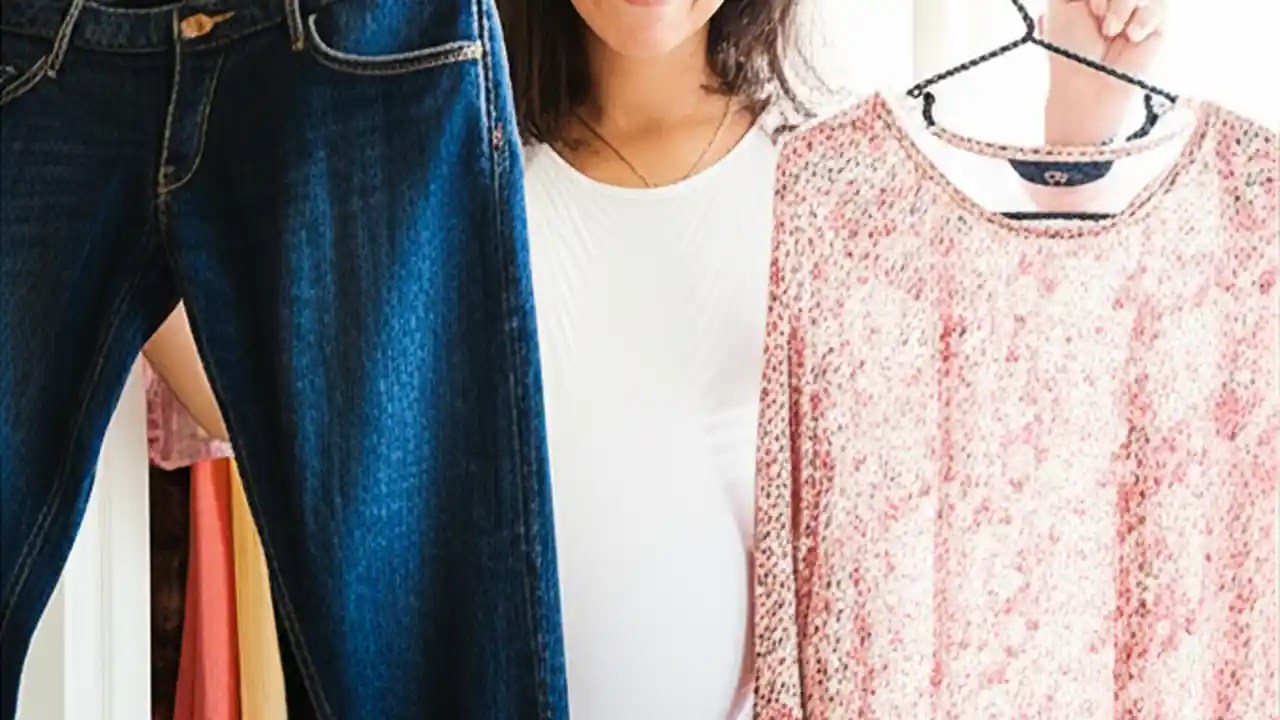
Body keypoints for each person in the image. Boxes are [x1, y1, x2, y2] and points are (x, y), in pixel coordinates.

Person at [145, 0, 1169, 716]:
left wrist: (1081, 124)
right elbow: (267, 399)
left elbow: (1022, 436)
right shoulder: (453, 187)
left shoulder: (836, 193)